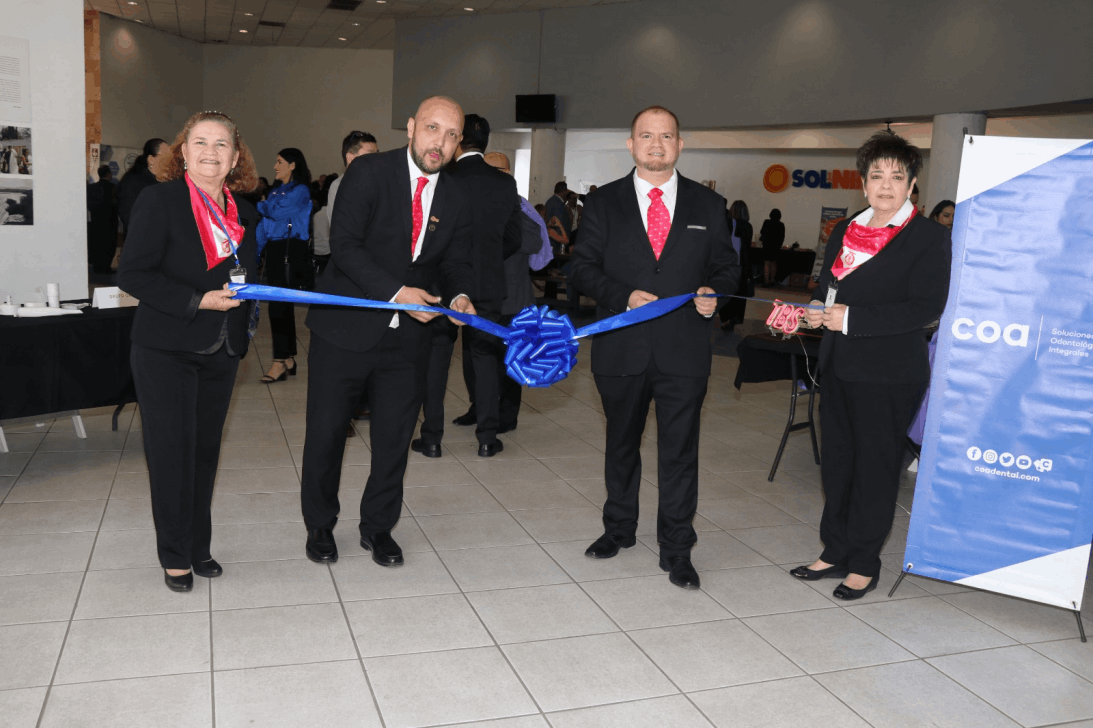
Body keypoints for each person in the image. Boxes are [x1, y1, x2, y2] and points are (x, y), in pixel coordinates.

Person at [299, 95, 475, 567]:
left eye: (452, 135)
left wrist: (458, 297)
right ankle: (320, 524)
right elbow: (346, 246)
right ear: (413, 126)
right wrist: (398, 292)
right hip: (345, 332)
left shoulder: (456, 195)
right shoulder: (370, 173)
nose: (440, 142)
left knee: (395, 439)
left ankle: (378, 528)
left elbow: (455, 262)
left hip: (409, 340)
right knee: (326, 433)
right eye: (433, 129)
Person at [569, 105, 738, 590]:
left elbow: (726, 269)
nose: (657, 145)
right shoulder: (603, 203)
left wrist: (715, 295)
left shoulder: (709, 207)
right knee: (621, 445)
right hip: (621, 347)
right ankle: (618, 529)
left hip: (683, 351)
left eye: (667, 136)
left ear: (680, 145)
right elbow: (580, 268)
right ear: (631, 145)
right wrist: (621, 295)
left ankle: (677, 548)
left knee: (679, 452)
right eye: (647, 136)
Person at [795, 130, 951, 599]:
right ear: (863, 183)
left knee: (875, 467)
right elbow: (829, 288)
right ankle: (835, 548)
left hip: (889, 372)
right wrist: (815, 309)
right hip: (839, 363)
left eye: (896, 176)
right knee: (838, 462)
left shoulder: (927, 236)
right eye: (876, 175)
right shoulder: (845, 229)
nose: (885, 185)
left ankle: (864, 561)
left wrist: (851, 318)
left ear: (911, 183)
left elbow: (926, 306)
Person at [117, 111, 260, 593]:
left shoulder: (244, 210)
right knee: (171, 453)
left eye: (222, 145)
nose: (210, 153)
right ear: (183, 151)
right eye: (200, 142)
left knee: (204, 452)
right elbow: (133, 275)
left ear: (236, 157)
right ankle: (175, 555)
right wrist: (197, 300)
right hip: (167, 348)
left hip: (222, 347)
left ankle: (200, 546)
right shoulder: (160, 201)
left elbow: (248, 275)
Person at [412, 113, 522, 459]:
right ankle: (488, 437)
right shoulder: (504, 182)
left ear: (457, 140)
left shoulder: (443, 176)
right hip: (488, 283)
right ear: (487, 143)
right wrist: (486, 260)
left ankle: (431, 438)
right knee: (486, 360)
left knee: (437, 360)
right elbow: (514, 238)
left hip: (441, 284)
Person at [451, 153, 551, 431]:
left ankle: (506, 416)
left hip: (513, 300)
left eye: (497, 170)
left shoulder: (521, 210)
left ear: (508, 175)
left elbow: (532, 242)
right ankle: (479, 407)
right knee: (473, 359)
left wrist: (495, 236)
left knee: (509, 363)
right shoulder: (473, 208)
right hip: (479, 297)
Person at [256, 147, 312, 383]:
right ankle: (287, 359)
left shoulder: (300, 190)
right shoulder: (276, 191)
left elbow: (275, 213)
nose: (275, 166)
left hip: (290, 251)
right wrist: (256, 252)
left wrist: (262, 204)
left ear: (293, 165)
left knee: (279, 306)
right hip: (275, 251)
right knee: (280, 307)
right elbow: (265, 224)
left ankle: (280, 361)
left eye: (280, 162)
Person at [327, 131, 378, 226]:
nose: (376, 160)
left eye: (377, 154)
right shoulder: (339, 186)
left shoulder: (377, 184)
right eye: (369, 155)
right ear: (350, 158)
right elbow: (340, 227)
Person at [118, 137, 168, 234]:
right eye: (166, 157)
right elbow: (131, 220)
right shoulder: (133, 183)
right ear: (151, 160)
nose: (170, 161)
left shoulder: (164, 182)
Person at [718, 199, 753, 331]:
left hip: (726, 264)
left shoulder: (726, 223)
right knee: (739, 295)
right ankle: (735, 318)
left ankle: (725, 319)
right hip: (741, 266)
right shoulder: (748, 227)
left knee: (725, 292)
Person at [87, 164, 119, 275]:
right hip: (110, 223)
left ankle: (96, 266)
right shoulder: (114, 188)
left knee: (96, 245)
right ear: (109, 174)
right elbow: (117, 204)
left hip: (95, 223)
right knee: (108, 246)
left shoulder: (91, 188)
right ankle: (105, 267)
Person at [759, 208, 785, 285]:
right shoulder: (781, 225)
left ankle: (766, 281)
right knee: (774, 263)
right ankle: (772, 280)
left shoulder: (766, 222)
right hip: (776, 246)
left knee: (766, 263)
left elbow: (762, 232)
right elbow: (782, 237)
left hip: (767, 245)